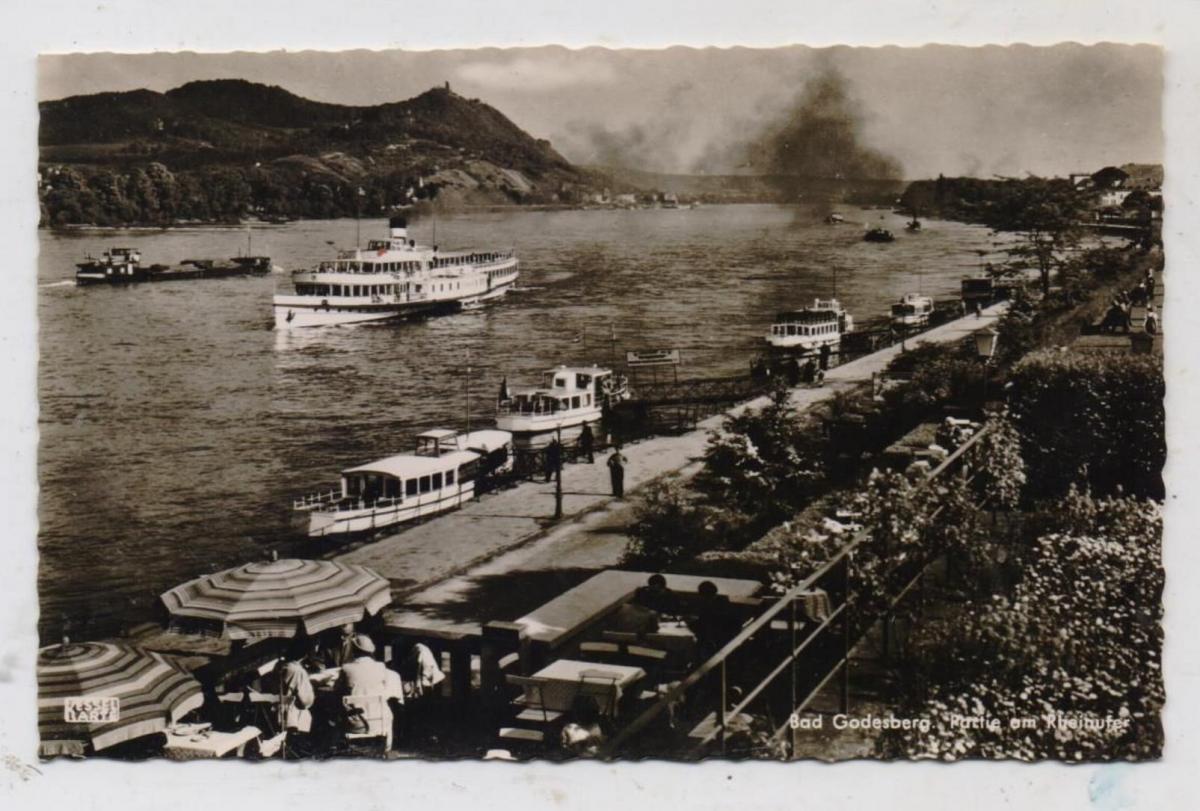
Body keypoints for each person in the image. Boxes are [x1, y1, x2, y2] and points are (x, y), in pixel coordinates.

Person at [336, 634, 405, 748]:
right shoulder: (381, 667)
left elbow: (338, 690)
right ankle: (386, 749)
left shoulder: (346, 668)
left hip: (356, 723)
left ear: (354, 651)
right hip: (380, 721)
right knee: (387, 709)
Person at [273, 637, 316, 755]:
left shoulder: (279, 666)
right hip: (290, 712)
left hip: (275, 706)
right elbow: (306, 700)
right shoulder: (298, 671)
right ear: (305, 654)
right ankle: (301, 744)